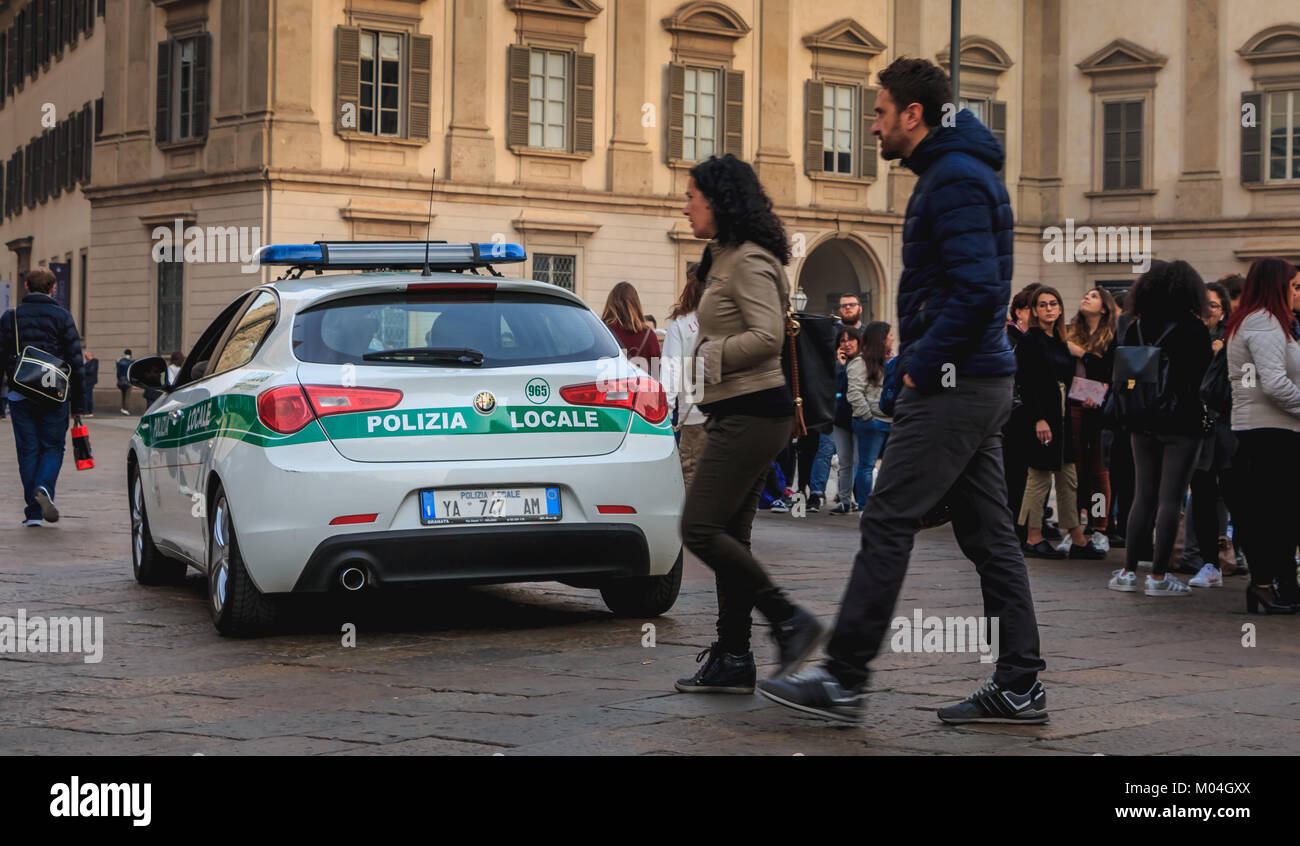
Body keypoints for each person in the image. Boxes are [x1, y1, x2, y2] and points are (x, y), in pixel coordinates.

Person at [759, 57, 1046, 724]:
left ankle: (843, 678)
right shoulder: (957, 174)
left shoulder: (952, 181)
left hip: (956, 384)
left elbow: (979, 290)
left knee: (887, 519)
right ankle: (1021, 684)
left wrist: (921, 363)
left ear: (914, 115)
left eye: (881, 111)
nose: (872, 124)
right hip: (977, 379)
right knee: (991, 538)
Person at [675, 154, 823, 695]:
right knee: (730, 535)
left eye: (693, 195)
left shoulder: (750, 260)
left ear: (718, 201)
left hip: (755, 412)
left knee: (699, 527)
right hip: (737, 410)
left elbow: (766, 336)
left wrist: (705, 359)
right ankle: (735, 656)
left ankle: (789, 620)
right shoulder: (723, 257)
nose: (686, 205)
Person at [1107, 261, 1212, 597]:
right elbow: (1202, 380)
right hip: (1182, 422)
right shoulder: (1194, 330)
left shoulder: (1134, 326)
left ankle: (1127, 572)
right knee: (1170, 499)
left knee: (1143, 495)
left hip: (1140, 418)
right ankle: (1158, 576)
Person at [1225, 257, 1300, 613]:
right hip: (1268, 430)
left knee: (1277, 513)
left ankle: (1278, 584)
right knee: (1275, 514)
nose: (1299, 292)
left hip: (1270, 429)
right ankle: (1267, 585)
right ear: (1277, 287)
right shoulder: (1265, 322)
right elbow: (1274, 384)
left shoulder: (1266, 321)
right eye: (1296, 286)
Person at [1017, 286, 1104, 560]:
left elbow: (1092, 369)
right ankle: (1033, 537)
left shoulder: (1060, 341)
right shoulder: (1030, 340)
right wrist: (1039, 418)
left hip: (1063, 416)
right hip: (1042, 416)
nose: (1049, 309)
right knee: (1038, 478)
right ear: (1034, 310)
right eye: (1042, 305)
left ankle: (1076, 537)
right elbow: (1027, 383)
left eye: (1053, 304)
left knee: (1069, 479)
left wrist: (1081, 354)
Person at [0, 267, 86, 527]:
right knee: (52, 447)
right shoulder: (62, 316)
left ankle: (34, 513)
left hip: (20, 393)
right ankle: (44, 487)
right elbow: (76, 363)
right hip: (55, 396)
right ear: (53, 288)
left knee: (28, 451)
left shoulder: (11, 317)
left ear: (25, 286)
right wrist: (79, 406)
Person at [1187, 282, 1241, 587]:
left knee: (1236, 493)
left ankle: (1244, 556)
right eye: (1203, 304)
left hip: (1227, 427)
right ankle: (1208, 563)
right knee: (1202, 493)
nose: (1208, 311)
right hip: (1196, 428)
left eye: (1214, 305)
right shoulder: (1186, 337)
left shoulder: (1231, 338)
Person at [1066, 287, 1118, 551]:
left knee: (1099, 470)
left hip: (1101, 407)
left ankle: (1100, 527)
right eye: (1085, 294)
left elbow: (1112, 372)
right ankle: (1074, 525)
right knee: (1074, 469)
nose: (1086, 297)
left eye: (1094, 296)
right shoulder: (1071, 332)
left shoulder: (1113, 336)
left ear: (1105, 307)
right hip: (1073, 404)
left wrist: (1083, 355)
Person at [663, 264, 706, 489]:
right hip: (729, 412)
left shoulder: (682, 323)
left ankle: (695, 524)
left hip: (694, 414)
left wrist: (667, 414)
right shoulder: (728, 318)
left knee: (690, 473)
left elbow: (671, 369)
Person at [1004, 283, 1041, 539]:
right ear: (1019, 311)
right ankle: (1012, 525)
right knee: (1014, 474)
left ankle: (1027, 522)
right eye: (1035, 307)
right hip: (1012, 415)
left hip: (1029, 413)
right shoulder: (1009, 338)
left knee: (1032, 474)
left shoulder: (1039, 338)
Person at [845, 321, 893, 509]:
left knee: (889, 467)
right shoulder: (860, 362)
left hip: (889, 420)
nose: (892, 339)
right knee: (867, 465)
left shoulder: (887, 361)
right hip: (871, 421)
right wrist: (868, 418)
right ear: (881, 338)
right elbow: (854, 393)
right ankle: (865, 506)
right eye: (889, 335)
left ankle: (883, 503)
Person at [829, 325, 864, 515]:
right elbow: (834, 387)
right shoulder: (838, 364)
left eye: (850, 339)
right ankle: (844, 500)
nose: (846, 343)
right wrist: (839, 366)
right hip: (840, 419)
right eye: (842, 340)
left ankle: (861, 500)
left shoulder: (865, 362)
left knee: (860, 461)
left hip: (859, 418)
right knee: (844, 461)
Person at [602, 282, 661, 368]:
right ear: (636, 304)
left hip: (607, 381)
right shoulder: (649, 336)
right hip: (640, 381)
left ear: (610, 304)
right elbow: (656, 372)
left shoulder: (601, 332)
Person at [81, 344, 99, 417]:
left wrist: (83, 370)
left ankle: (89, 411)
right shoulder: (87, 362)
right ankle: (85, 411)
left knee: (88, 397)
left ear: (90, 355)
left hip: (90, 381)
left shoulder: (94, 361)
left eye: (86, 355)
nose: (85, 357)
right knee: (85, 396)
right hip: (86, 381)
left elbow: (91, 371)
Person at [116, 349, 134, 415]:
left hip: (121, 380)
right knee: (127, 396)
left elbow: (118, 372)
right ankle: (125, 409)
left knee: (123, 395)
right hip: (128, 381)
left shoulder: (120, 361)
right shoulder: (132, 361)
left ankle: (123, 408)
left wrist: (119, 379)